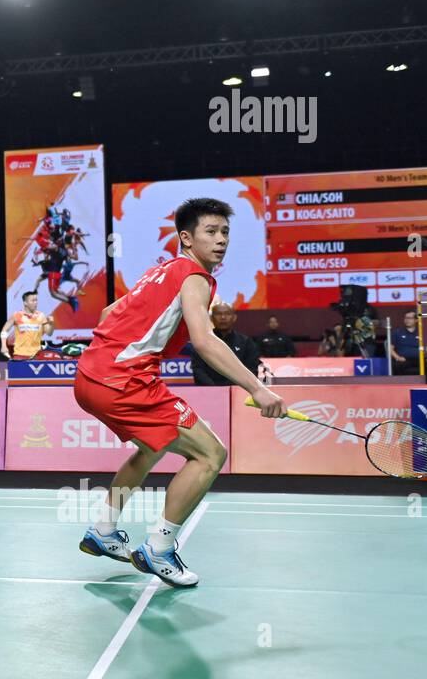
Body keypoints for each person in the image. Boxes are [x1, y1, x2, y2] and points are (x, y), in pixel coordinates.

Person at [74, 197, 286, 588]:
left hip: (90, 376)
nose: (221, 239)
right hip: (124, 381)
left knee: (152, 447)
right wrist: (258, 388)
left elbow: (107, 316)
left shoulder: (162, 271)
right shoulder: (193, 277)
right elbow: (205, 342)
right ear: (186, 238)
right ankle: (159, 547)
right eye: (211, 231)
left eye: (225, 232)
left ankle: (103, 530)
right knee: (211, 454)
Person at [191, 303, 264, 386]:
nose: (223, 317)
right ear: (211, 318)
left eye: (227, 314)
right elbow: (198, 369)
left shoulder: (246, 342)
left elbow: (251, 369)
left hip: (238, 389)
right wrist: (214, 388)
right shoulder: (202, 341)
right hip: (209, 391)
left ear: (234, 317)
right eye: (218, 314)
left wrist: (230, 388)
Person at [0, 292, 53, 361]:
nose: (36, 302)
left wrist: (51, 324)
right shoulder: (16, 315)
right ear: (25, 303)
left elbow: (49, 333)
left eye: (36, 300)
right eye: (33, 300)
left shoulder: (41, 316)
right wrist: (3, 346)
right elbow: (4, 331)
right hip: (20, 355)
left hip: (37, 355)